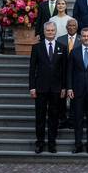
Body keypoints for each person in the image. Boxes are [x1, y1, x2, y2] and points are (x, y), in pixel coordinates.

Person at [29, 22, 66, 153]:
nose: (50, 32)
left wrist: (64, 87)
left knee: (54, 116)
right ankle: (39, 142)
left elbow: (64, 70)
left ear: (55, 32)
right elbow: (32, 69)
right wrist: (32, 87)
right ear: (44, 32)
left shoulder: (62, 47)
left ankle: (51, 143)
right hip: (40, 88)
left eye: (52, 30)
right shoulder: (37, 48)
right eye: (48, 30)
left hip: (56, 89)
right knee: (40, 116)